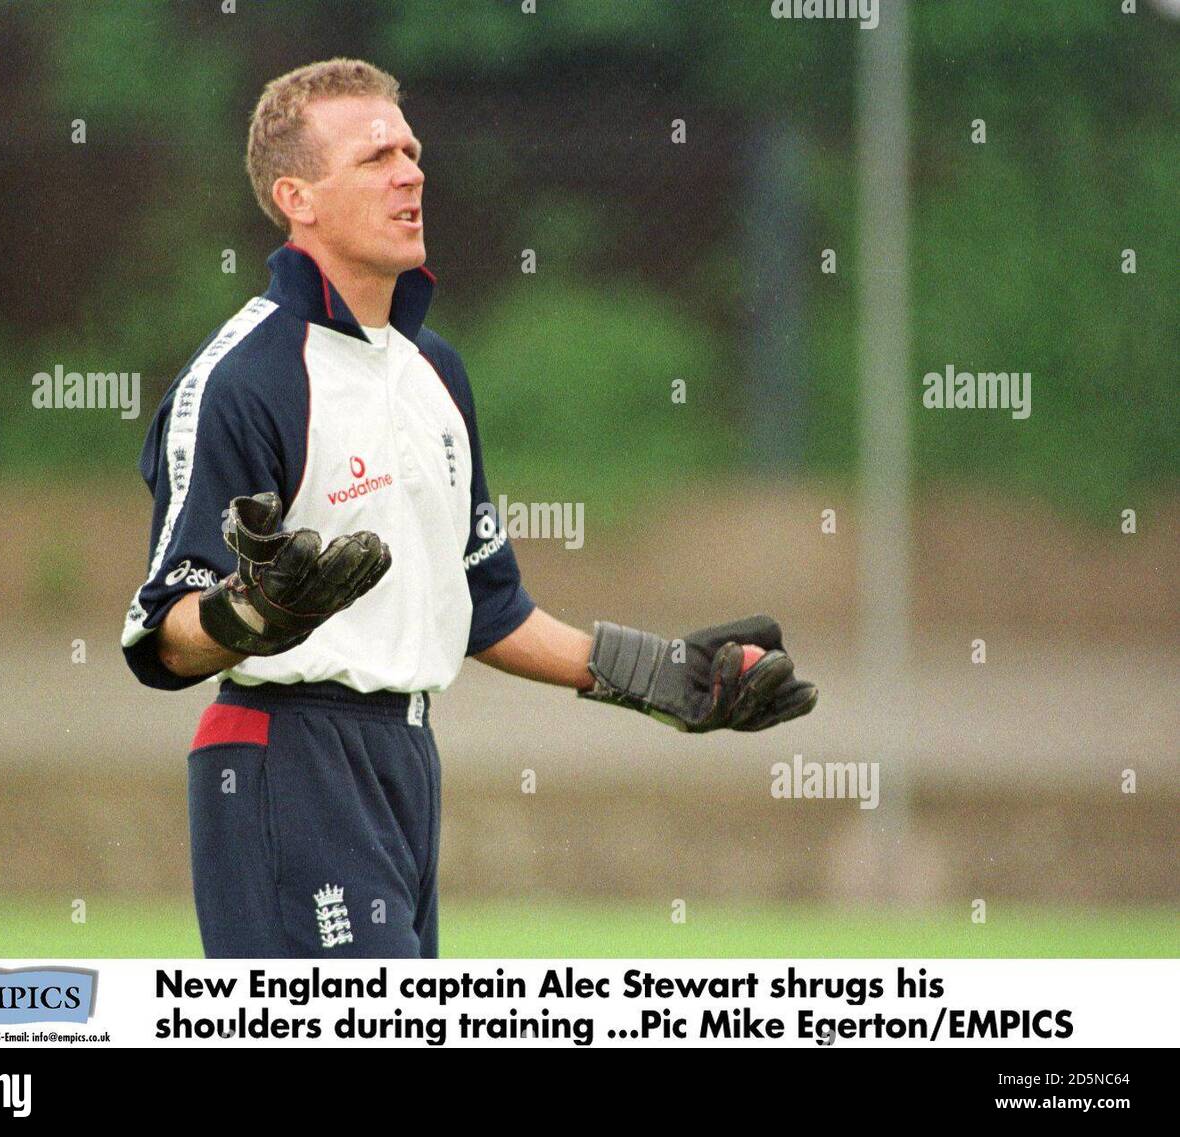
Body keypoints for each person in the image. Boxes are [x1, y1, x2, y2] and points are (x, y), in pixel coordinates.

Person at [122, 58, 816, 958]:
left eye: (410, 150)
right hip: (285, 761)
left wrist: (667, 679)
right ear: (298, 197)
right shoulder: (241, 379)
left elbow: (488, 607)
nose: (411, 172)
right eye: (376, 157)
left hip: (407, 762)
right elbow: (163, 632)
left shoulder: (435, 371)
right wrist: (251, 613)